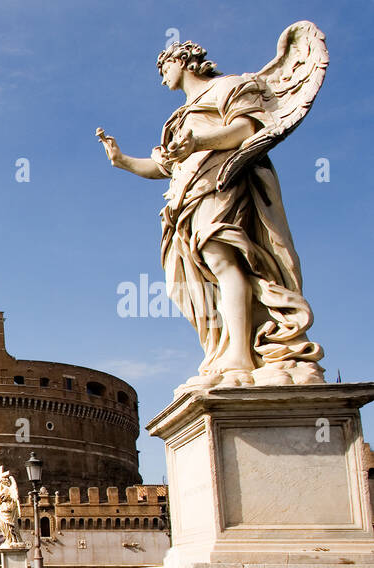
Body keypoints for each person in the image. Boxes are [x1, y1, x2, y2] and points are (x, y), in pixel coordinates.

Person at [97, 39, 324, 390]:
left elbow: (248, 129)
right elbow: (164, 165)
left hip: (221, 183)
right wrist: (123, 160)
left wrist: (200, 143)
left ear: (182, 60)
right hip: (184, 198)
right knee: (194, 280)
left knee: (223, 261)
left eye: (164, 68)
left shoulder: (228, 87)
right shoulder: (177, 118)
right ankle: (223, 351)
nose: (162, 79)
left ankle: (241, 356)